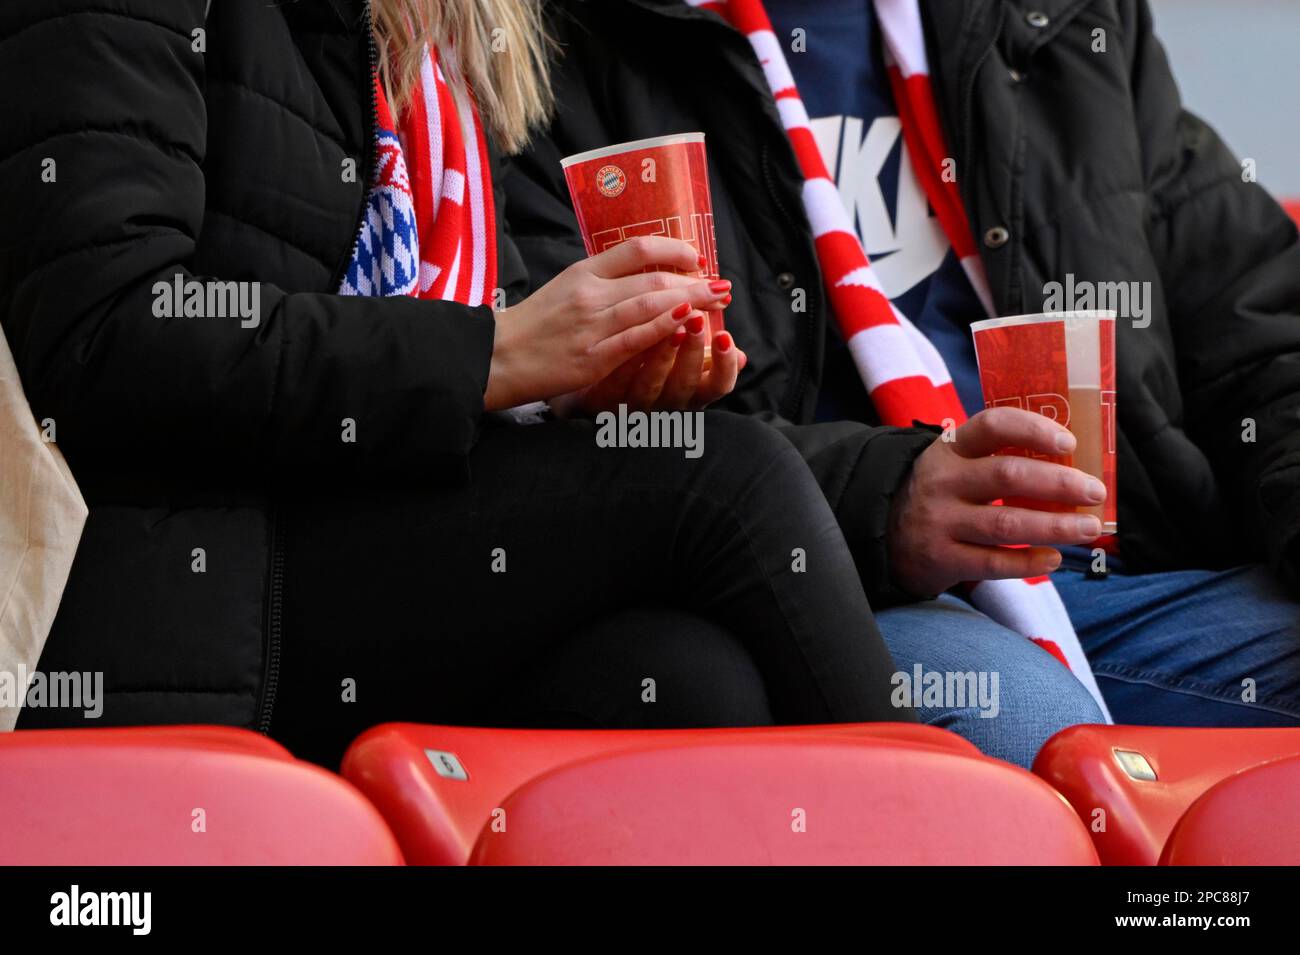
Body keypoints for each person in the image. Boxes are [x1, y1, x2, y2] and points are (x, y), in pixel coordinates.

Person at [2, 0, 915, 767]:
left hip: (386, 554)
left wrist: (580, 388)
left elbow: (511, 359)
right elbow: (101, 333)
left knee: (684, 681)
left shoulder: (448, 35)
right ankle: (929, 834)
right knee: (728, 483)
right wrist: (493, 354)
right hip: (191, 591)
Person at [504, 0, 1300, 768]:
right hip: (838, 594)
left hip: (1124, 574)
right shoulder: (547, 42)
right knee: (1018, 715)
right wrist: (888, 505)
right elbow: (567, 437)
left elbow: (1261, 332)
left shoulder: (1065, 16)